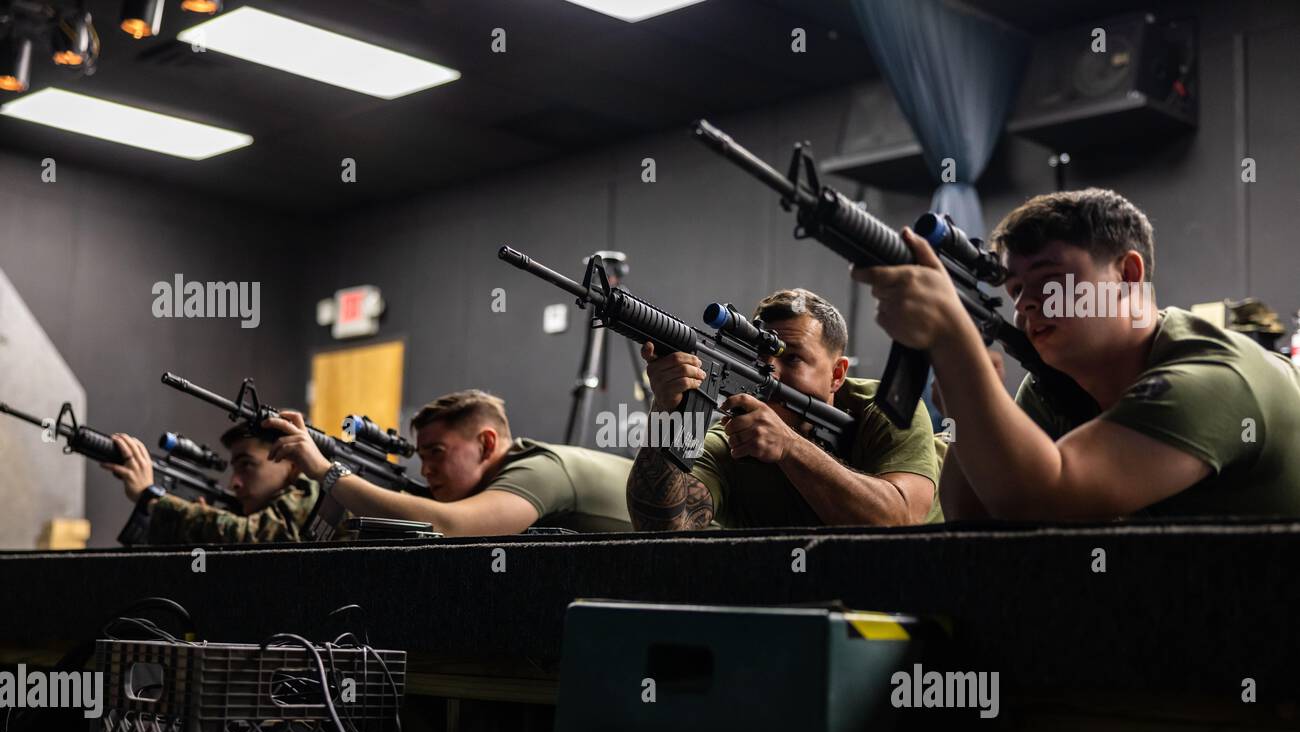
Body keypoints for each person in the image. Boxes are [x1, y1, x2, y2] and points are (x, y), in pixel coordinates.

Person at [854, 187, 1300, 520]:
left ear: (1127, 275)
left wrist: (955, 344)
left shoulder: (1211, 377)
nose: (1026, 304)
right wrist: (961, 397)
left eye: (1050, 282)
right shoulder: (1053, 385)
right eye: (1015, 290)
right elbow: (975, 519)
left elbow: (1045, 499)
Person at [625, 288, 942, 531]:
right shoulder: (731, 441)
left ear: (837, 374)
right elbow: (662, 527)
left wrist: (790, 447)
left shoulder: (884, 407)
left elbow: (902, 522)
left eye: (792, 359)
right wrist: (667, 411)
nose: (770, 372)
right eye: (760, 359)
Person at [265, 389, 634, 535]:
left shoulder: (540, 470)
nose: (425, 471)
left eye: (437, 454)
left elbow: (449, 526)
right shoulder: (528, 463)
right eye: (421, 457)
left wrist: (326, 472)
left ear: (487, 443)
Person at [103, 422, 319, 544]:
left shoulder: (315, 494)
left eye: (247, 465)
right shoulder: (255, 510)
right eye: (235, 468)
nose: (234, 483)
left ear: (293, 465)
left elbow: (249, 535)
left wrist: (151, 499)